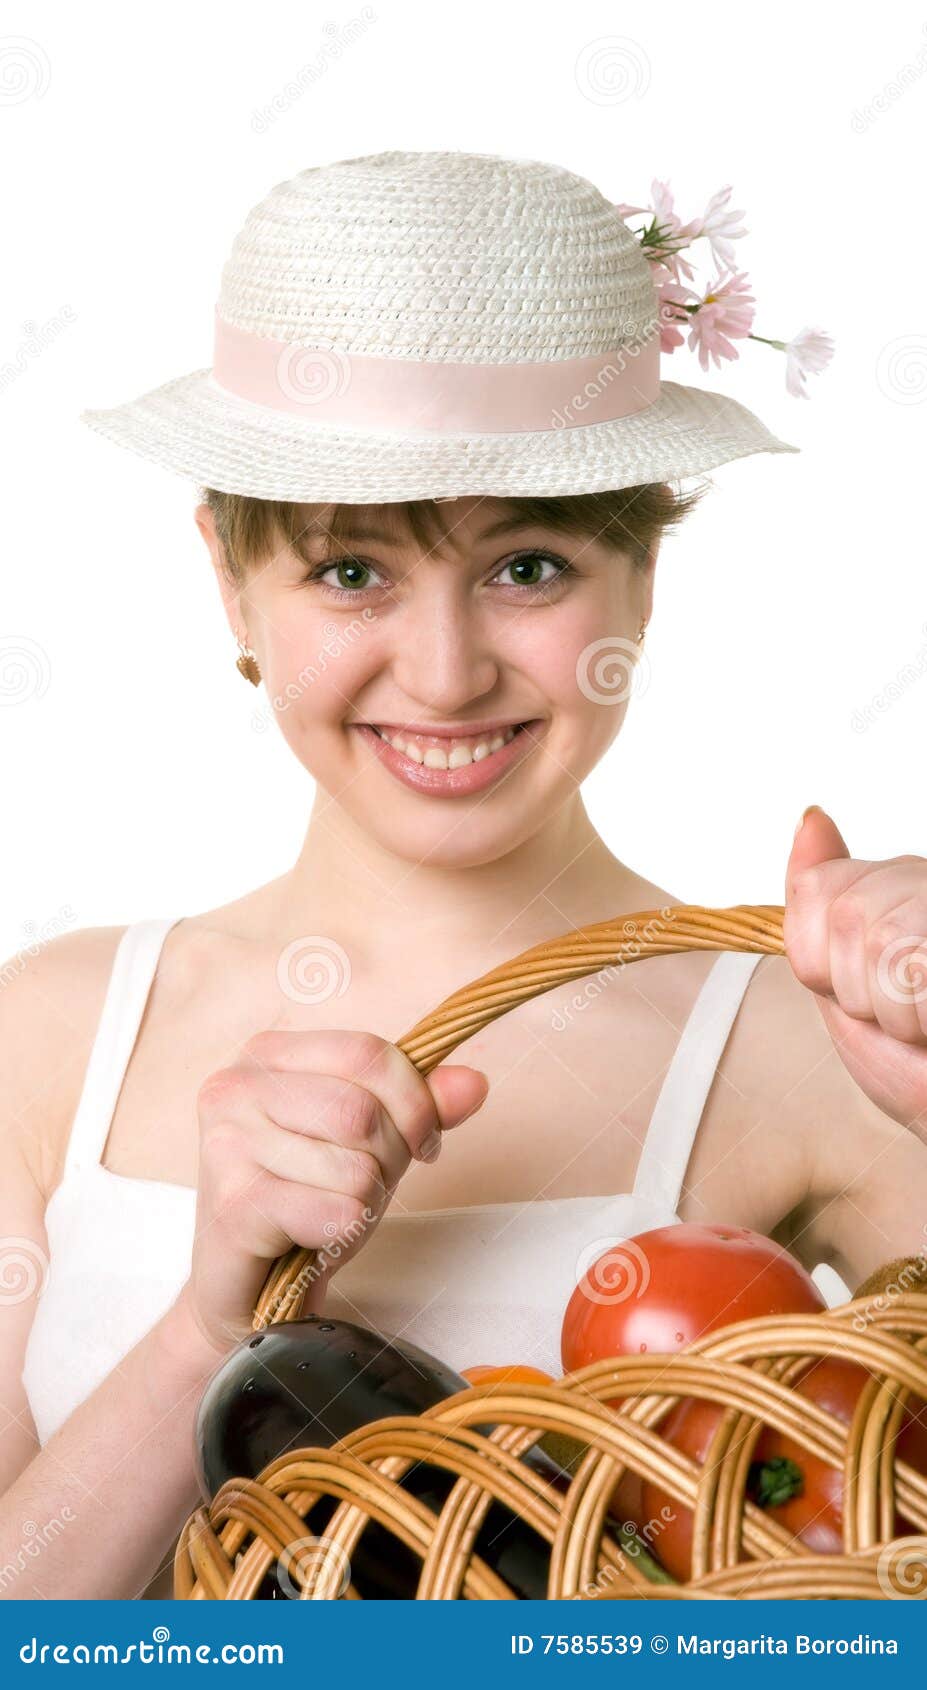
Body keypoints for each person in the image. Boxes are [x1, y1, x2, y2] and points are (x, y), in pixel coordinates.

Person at [2, 151, 925, 1600]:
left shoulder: (807, 1046)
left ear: (644, 580)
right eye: (350, 572)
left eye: (530, 566)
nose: (443, 675)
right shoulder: (52, 1035)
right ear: (228, 581)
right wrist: (202, 1327)